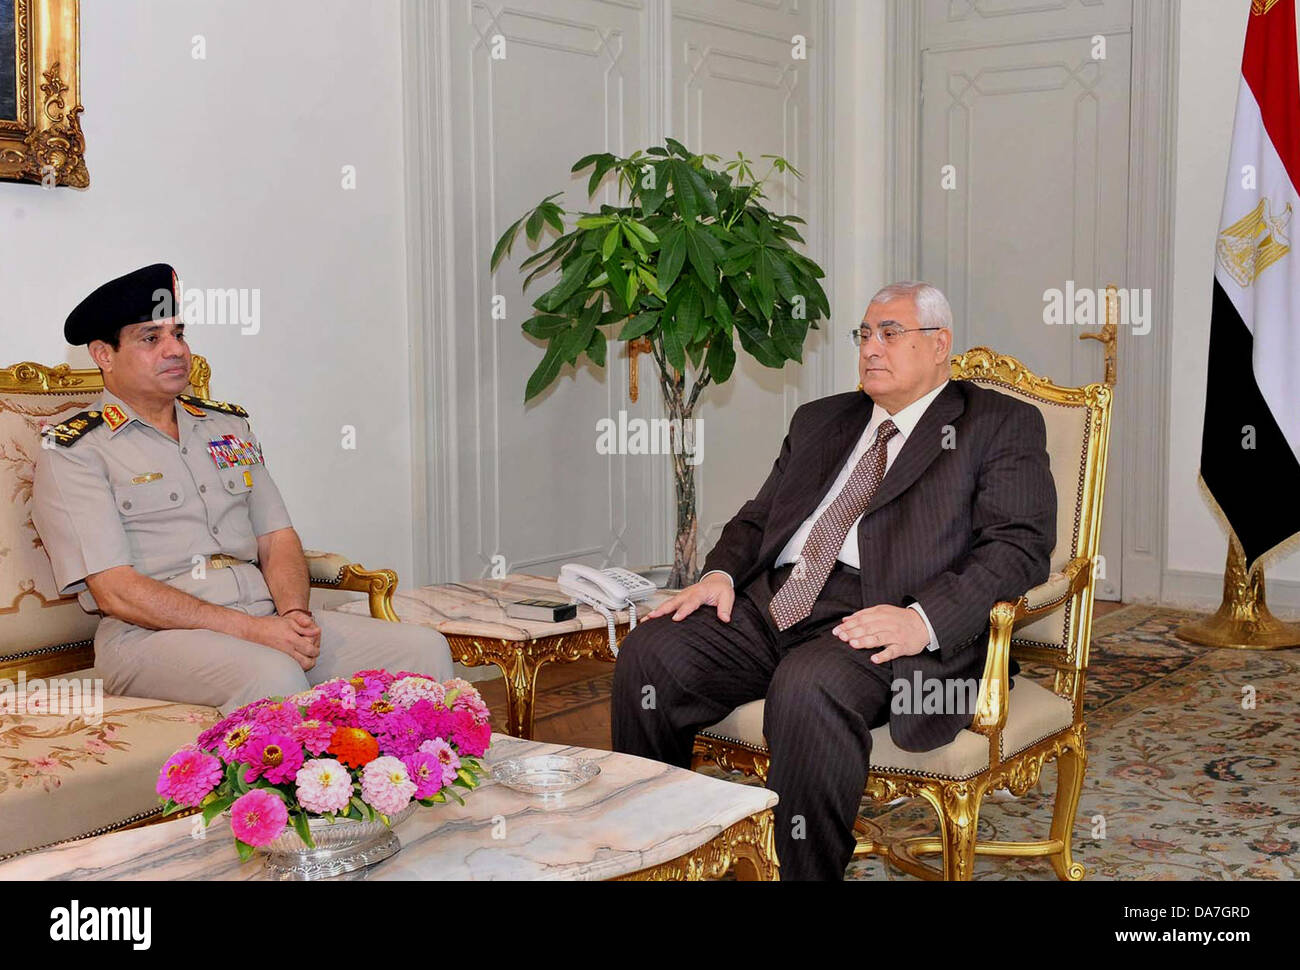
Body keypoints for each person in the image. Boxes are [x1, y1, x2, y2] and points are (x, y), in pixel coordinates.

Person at [611, 281, 1056, 880]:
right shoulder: (823, 418)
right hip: (779, 598)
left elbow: (1018, 548)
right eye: (865, 334)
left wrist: (921, 620)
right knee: (652, 653)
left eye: (890, 334)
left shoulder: (996, 423)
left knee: (808, 686)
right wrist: (719, 573)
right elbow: (761, 515)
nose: (872, 347)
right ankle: (659, 858)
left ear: (938, 344)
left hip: (886, 614)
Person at [31, 263, 453, 714]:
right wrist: (253, 632)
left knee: (422, 649)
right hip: (151, 640)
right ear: (103, 354)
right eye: (151, 338)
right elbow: (116, 590)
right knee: (272, 672)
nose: (175, 350)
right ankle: (294, 786)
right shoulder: (74, 450)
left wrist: (292, 615)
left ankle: (416, 784)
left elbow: (277, 537)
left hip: (264, 618)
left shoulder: (225, 426)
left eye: (179, 334)